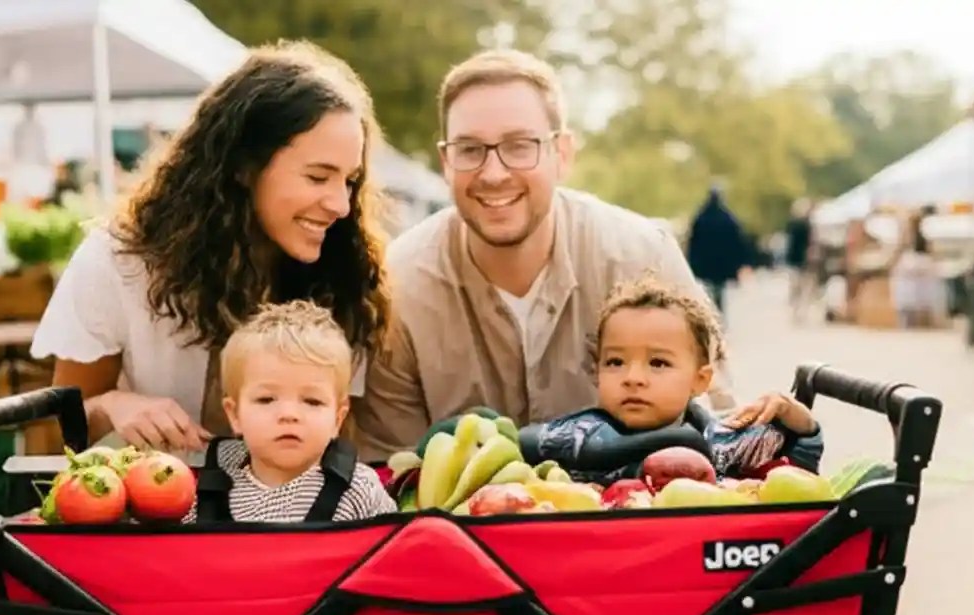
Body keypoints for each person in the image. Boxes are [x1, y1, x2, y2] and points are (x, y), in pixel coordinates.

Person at [352, 49, 731, 461]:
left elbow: (717, 421)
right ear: (446, 162)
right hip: (460, 524)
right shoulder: (398, 287)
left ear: (562, 154)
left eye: (520, 146)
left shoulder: (642, 254)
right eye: (470, 149)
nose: (494, 174)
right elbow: (392, 471)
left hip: (633, 514)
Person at [31, 40, 393, 451]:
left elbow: (342, 439)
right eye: (317, 177)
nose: (342, 206)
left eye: (349, 181)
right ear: (242, 166)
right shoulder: (119, 262)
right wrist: (115, 405)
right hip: (156, 506)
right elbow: (64, 419)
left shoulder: (346, 275)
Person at [525, 273, 823, 484]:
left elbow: (801, 459)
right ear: (596, 371)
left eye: (658, 363)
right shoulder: (577, 435)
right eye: (615, 362)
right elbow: (518, 442)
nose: (633, 378)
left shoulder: (720, 443)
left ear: (700, 380)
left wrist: (792, 413)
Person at [188, 300, 397, 523]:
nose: (289, 414)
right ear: (234, 415)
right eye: (266, 399)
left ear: (338, 418)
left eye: (312, 401)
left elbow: (396, 550)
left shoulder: (359, 489)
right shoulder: (205, 491)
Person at [685, 184, 751, 317]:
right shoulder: (727, 218)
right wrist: (740, 261)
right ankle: (717, 313)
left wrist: (692, 261)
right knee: (719, 289)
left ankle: (712, 313)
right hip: (722, 263)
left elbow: (693, 242)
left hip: (705, 262)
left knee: (709, 289)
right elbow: (737, 242)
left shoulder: (701, 218)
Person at [784, 197, 816, 322]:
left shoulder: (793, 224)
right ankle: (798, 310)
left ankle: (796, 310)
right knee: (800, 287)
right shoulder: (805, 225)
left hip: (796, 260)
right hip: (800, 260)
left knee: (797, 286)